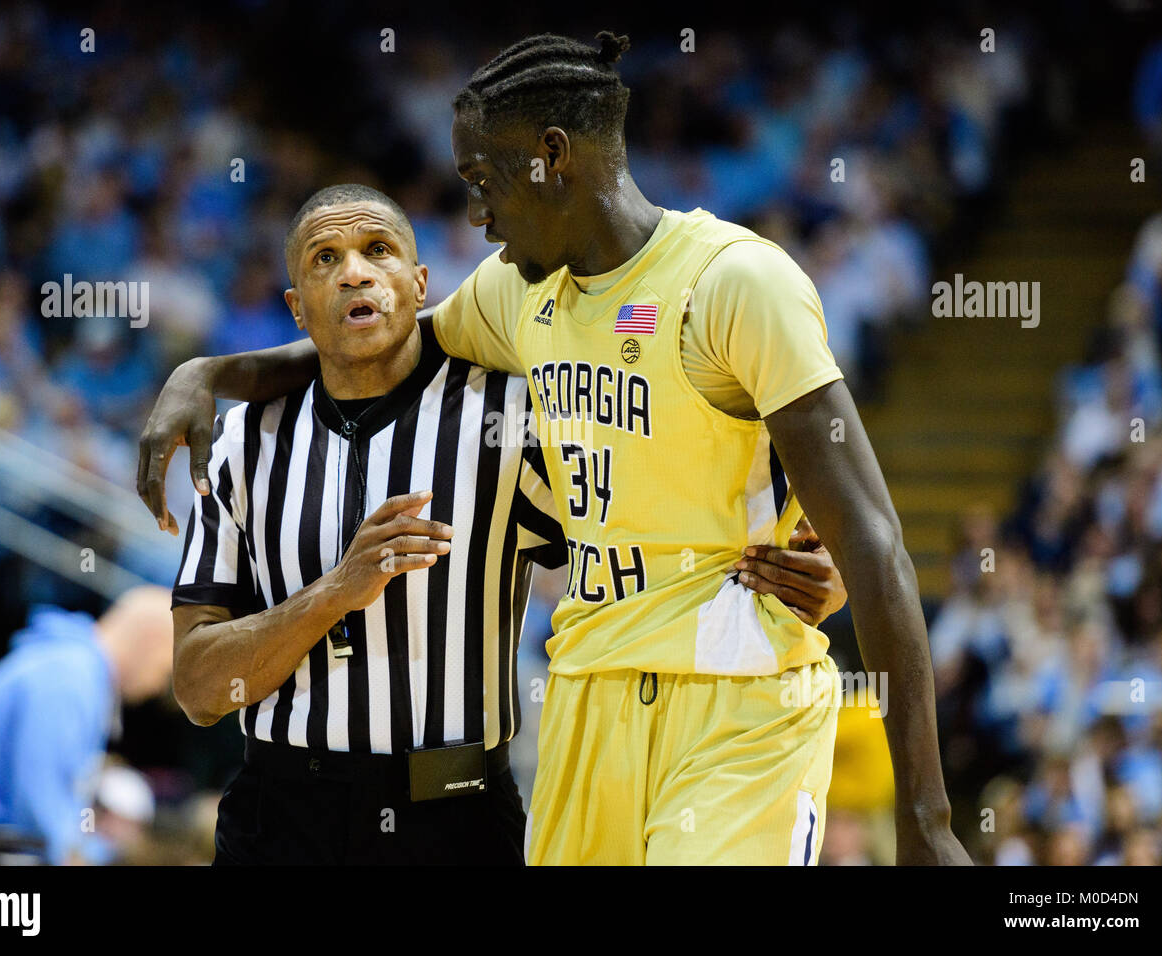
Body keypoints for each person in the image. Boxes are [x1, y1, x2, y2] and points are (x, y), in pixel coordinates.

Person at [138, 30, 961, 865]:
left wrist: (926, 821)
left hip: (733, 689)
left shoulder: (736, 283)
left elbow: (875, 539)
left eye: (481, 180)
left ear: (552, 156)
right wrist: (211, 372)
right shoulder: (512, 294)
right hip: (584, 695)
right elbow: (384, 341)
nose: (476, 216)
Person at [166, 183, 845, 865]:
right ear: (297, 309)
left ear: (420, 282)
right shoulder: (239, 445)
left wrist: (817, 570)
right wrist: (334, 592)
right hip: (282, 814)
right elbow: (198, 691)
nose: (355, 271)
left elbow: (656, 521)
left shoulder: (510, 420)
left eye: (378, 250)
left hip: (453, 814)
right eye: (324, 258)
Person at [0, 587, 173, 864]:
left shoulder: (71, 667)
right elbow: (38, 807)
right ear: (152, 640)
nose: (158, 688)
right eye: (165, 672)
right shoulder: (70, 679)